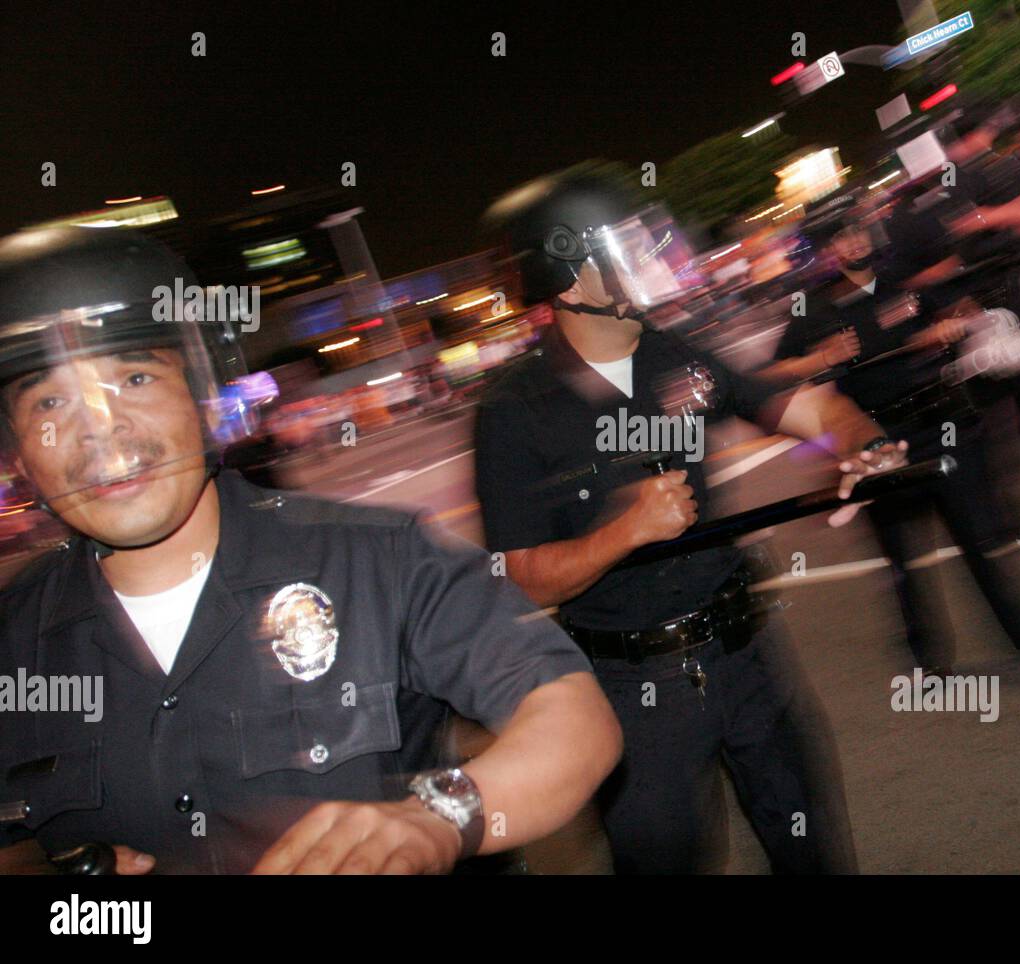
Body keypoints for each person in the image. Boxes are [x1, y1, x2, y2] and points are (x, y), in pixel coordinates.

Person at [0, 225, 622, 875]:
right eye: (50, 400)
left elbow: (571, 715)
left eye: (133, 377)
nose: (103, 432)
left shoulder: (378, 560)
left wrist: (438, 818)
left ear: (201, 390)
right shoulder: (14, 638)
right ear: (18, 448)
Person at [475, 173, 907, 874]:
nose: (648, 259)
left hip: (750, 656)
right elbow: (519, 576)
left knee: (814, 846)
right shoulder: (513, 410)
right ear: (566, 270)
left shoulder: (675, 353)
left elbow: (812, 409)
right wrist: (624, 531)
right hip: (636, 696)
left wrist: (862, 445)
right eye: (626, 246)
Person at [766, 196, 1020, 674]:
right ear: (825, 250)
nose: (854, 241)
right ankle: (928, 657)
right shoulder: (812, 308)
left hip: (944, 424)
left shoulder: (899, 280)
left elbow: (963, 308)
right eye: (840, 236)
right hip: (878, 441)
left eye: (858, 229)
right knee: (906, 559)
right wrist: (821, 359)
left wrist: (950, 327)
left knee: (982, 539)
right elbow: (773, 373)